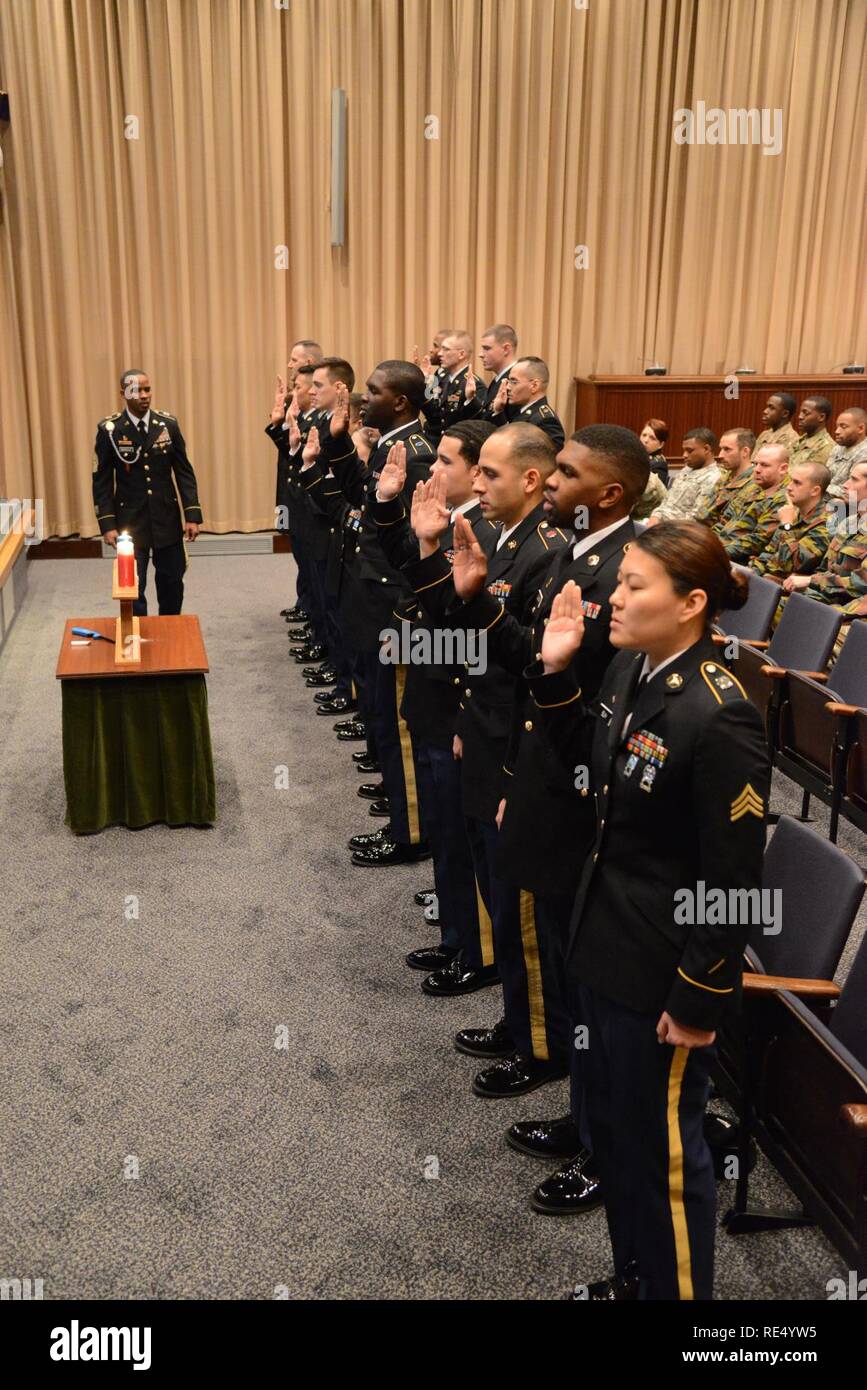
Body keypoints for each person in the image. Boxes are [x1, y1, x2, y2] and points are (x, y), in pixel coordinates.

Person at [528, 522, 769, 1299]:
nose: (613, 598)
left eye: (633, 586)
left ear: (692, 603)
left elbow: (732, 873)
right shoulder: (635, 670)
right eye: (617, 581)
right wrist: (556, 672)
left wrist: (699, 996)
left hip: (660, 970)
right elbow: (588, 772)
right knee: (616, 1136)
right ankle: (634, 1277)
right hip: (603, 941)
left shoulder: (718, 711)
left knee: (664, 1155)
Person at [372, 421, 501, 987]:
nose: (434, 468)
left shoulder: (485, 534)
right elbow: (409, 566)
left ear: (475, 471)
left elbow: (465, 627)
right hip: (432, 696)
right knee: (448, 838)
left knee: (466, 841)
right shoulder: (447, 518)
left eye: (445, 460)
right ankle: (454, 936)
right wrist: (387, 504)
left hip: (458, 704)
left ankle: (479, 953)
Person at [93, 369, 202, 616]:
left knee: (172, 582)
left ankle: (170, 629)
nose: (144, 395)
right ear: (123, 394)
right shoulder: (110, 430)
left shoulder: (167, 425)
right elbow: (101, 481)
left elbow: (184, 471)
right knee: (133, 585)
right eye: (136, 390)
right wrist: (107, 524)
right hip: (130, 523)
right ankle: (139, 633)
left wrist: (192, 514)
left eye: (147, 389)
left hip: (166, 518)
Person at [783, 460, 867, 612]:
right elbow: (824, 568)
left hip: (847, 609)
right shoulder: (849, 523)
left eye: (854, 479)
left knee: (772, 608)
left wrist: (811, 581)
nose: (846, 485)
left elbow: (861, 583)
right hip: (823, 596)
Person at [750, 460, 832, 582]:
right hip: (766, 578)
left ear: (815, 491)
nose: (788, 487)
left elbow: (792, 563)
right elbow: (769, 552)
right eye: (791, 480)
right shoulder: (795, 510)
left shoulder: (827, 523)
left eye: (797, 483)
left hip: (788, 587)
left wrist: (787, 525)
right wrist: (751, 572)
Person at [715, 443, 789, 562]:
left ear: (783, 468)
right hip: (720, 549)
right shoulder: (752, 487)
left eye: (764, 465)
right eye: (755, 464)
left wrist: (716, 552)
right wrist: (706, 543)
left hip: (739, 558)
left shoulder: (786, 497)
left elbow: (758, 540)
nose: (757, 470)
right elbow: (724, 521)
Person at [489, 357, 566, 450]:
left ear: (534, 386)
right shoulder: (520, 410)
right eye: (508, 381)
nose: (508, 387)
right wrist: (498, 410)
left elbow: (549, 460)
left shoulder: (546, 420)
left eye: (514, 382)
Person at [647, 428, 719, 524]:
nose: (684, 455)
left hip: (678, 531)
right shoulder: (686, 470)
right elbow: (666, 501)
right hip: (659, 524)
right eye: (684, 450)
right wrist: (655, 516)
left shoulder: (713, 478)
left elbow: (696, 518)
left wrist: (661, 524)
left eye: (689, 451)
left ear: (706, 449)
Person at [698, 428, 756, 530]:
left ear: (745, 452)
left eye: (727, 449)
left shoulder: (755, 482)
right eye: (721, 449)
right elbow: (703, 513)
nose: (720, 455)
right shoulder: (724, 477)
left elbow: (733, 527)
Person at [826, 407, 867, 499]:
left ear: (861, 428)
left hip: (848, 508)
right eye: (837, 426)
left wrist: (821, 487)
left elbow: (852, 493)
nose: (837, 431)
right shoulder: (838, 448)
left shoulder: (865, 452)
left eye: (843, 427)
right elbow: (825, 477)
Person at [478, 324, 519, 412]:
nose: (480, 354)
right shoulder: (499, 379)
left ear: (506, 349)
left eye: (487, 348)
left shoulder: (515, 382)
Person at [751, 392, 799, 460]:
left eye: (772, 408)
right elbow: (753, 461)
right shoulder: (764, 435)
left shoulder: (792, 439)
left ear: (785, 414)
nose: (765, 411)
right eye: (767, 407)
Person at [790, 396, 834, 470]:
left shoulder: (825, 446)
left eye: (806, 413)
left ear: (821, 417)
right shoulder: (800, 440)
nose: (800, 417)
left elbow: (809, 478)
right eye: (800, 412)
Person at [639, 419, 669, 485]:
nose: (646, 440)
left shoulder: (658, 465)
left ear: (661, 445)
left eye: (652, 438)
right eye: (644, 435)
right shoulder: (638, 456)